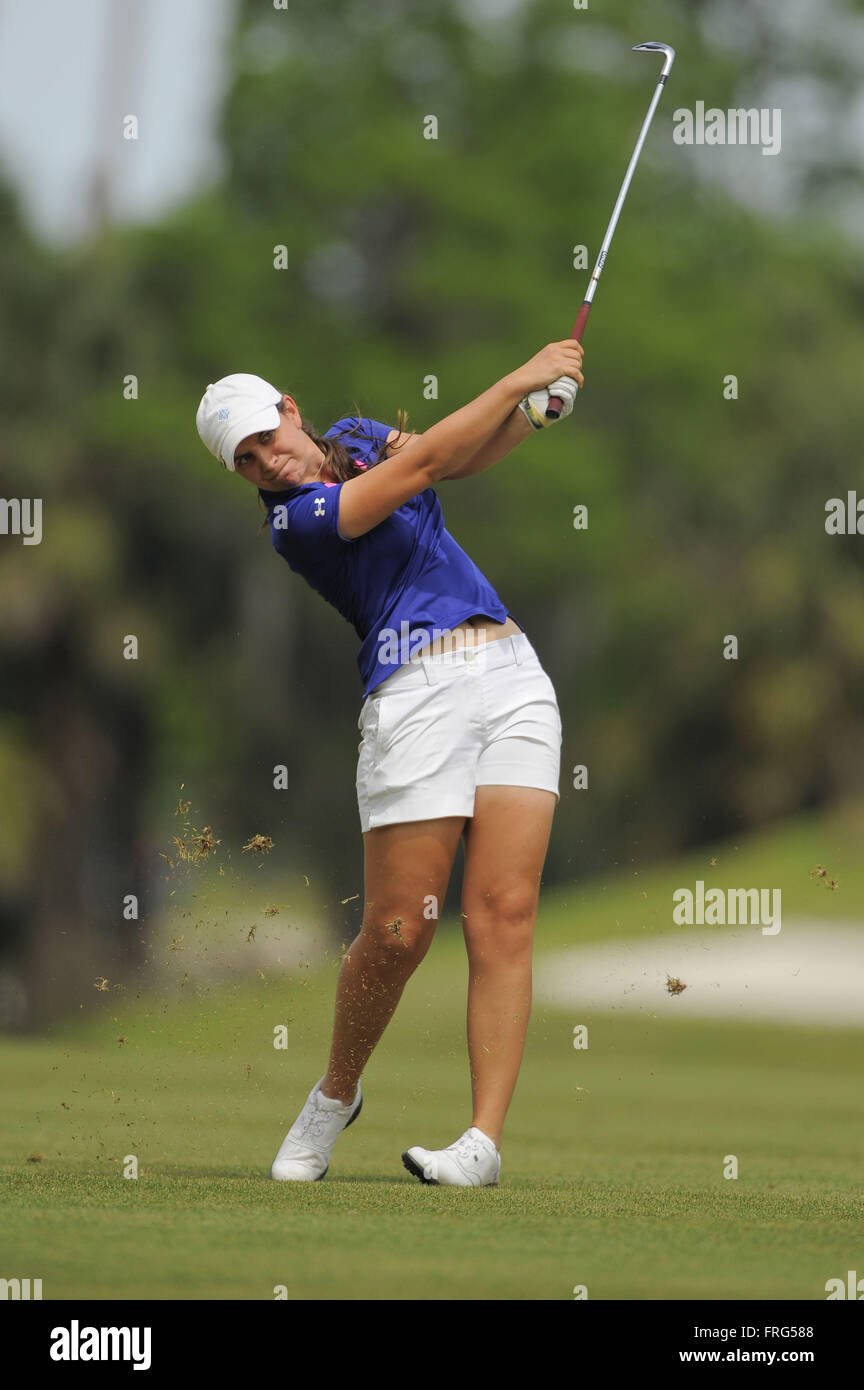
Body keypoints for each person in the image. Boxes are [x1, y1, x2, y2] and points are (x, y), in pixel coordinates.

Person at [195, 339, 584, 1186]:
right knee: (400, 931)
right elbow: (429, 462)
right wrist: (520, 376)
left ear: (290, 408)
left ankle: (481, 1143)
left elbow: (462, 457)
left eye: (267, 436)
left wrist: (532, 414)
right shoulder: (295, 523)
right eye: (246, 461)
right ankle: (336, 1093)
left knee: (505, 914)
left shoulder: (357, 437)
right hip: (415, 694)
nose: (267, 461)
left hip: (512, 675)